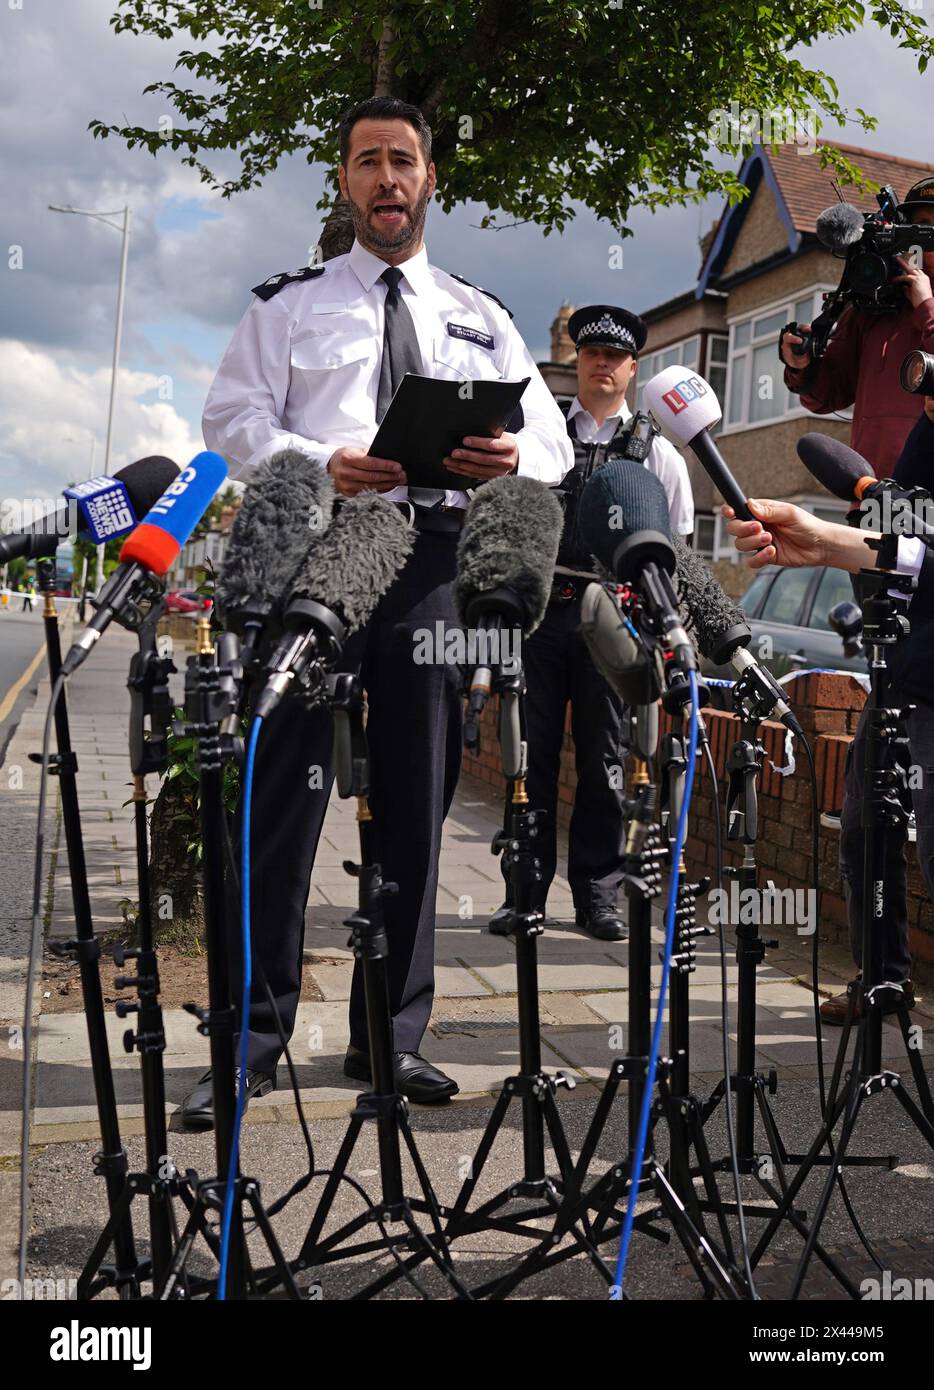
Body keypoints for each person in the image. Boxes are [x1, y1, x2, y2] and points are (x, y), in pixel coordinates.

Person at [182, 96, 573, 1127]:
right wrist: (324, 459)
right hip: (315, 550)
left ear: (430, 177)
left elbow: (553, 444)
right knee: (280, 795)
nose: (387, 178)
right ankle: (249, 1039)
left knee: (416, 798)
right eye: (368, 161)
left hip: (431, 561)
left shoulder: (480, 314)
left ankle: (390, 1037)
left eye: (403, 160)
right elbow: (230, 421)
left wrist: (510, 456)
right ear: (347, 181)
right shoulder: (289, 304)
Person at [722, 403, 934, 1022]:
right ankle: (883, 979)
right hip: (904, 673)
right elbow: (910, 525)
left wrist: (832, 543)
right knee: (864, 833)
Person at [489, 305, 694, 941]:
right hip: (543, 616)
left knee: (607, 762)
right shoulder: (537, 437)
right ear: (577, 361)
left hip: (616, 620)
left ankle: (597, 897)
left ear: (633, 368)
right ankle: (524, 894)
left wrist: (663, 635)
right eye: (591, 353)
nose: (602, 363)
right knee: (529, 758)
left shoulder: (659, 453)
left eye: (615, 356)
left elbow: (678, 550)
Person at [780, 178, 934, 479]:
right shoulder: (874, 304)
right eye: (921, 225)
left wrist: (926, 305)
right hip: (873, 489)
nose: (927, 235)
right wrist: (803, 366)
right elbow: (826, 397)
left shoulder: (922, 304)